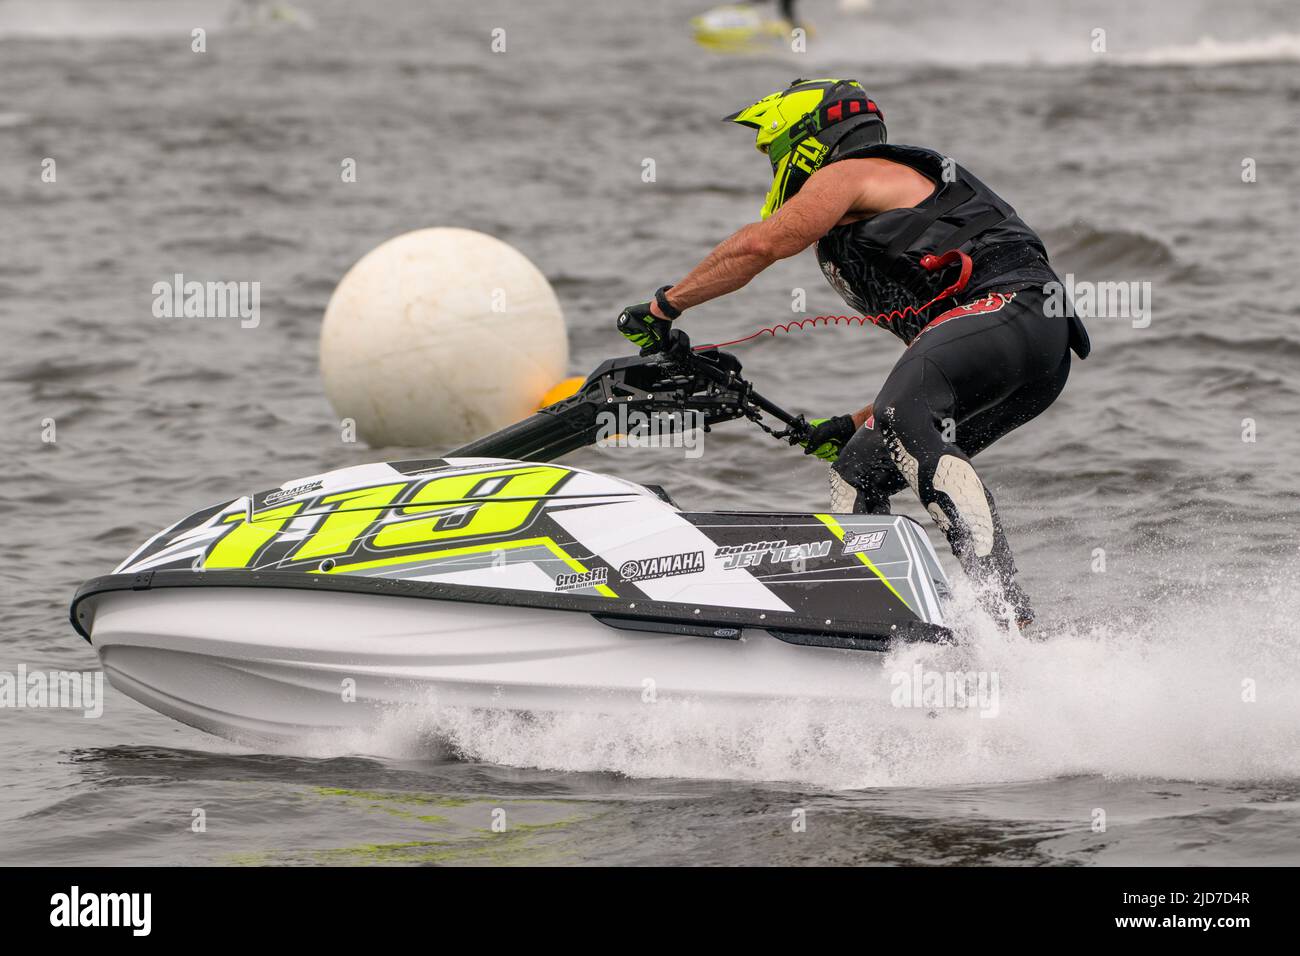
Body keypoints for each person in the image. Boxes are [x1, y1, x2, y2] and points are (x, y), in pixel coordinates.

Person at [617, 78, 1089, 626]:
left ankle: (1008, 619)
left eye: (772, 151)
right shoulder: (881, 201)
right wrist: (854, 420)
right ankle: (880, 627)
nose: (771, 167)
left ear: (806, 139)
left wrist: (663, 308)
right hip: (1031, 351)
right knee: (860, 467)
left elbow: (762, 244)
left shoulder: (850, 172)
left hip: (1014, 310)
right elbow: (940, 355)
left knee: (899, 417)